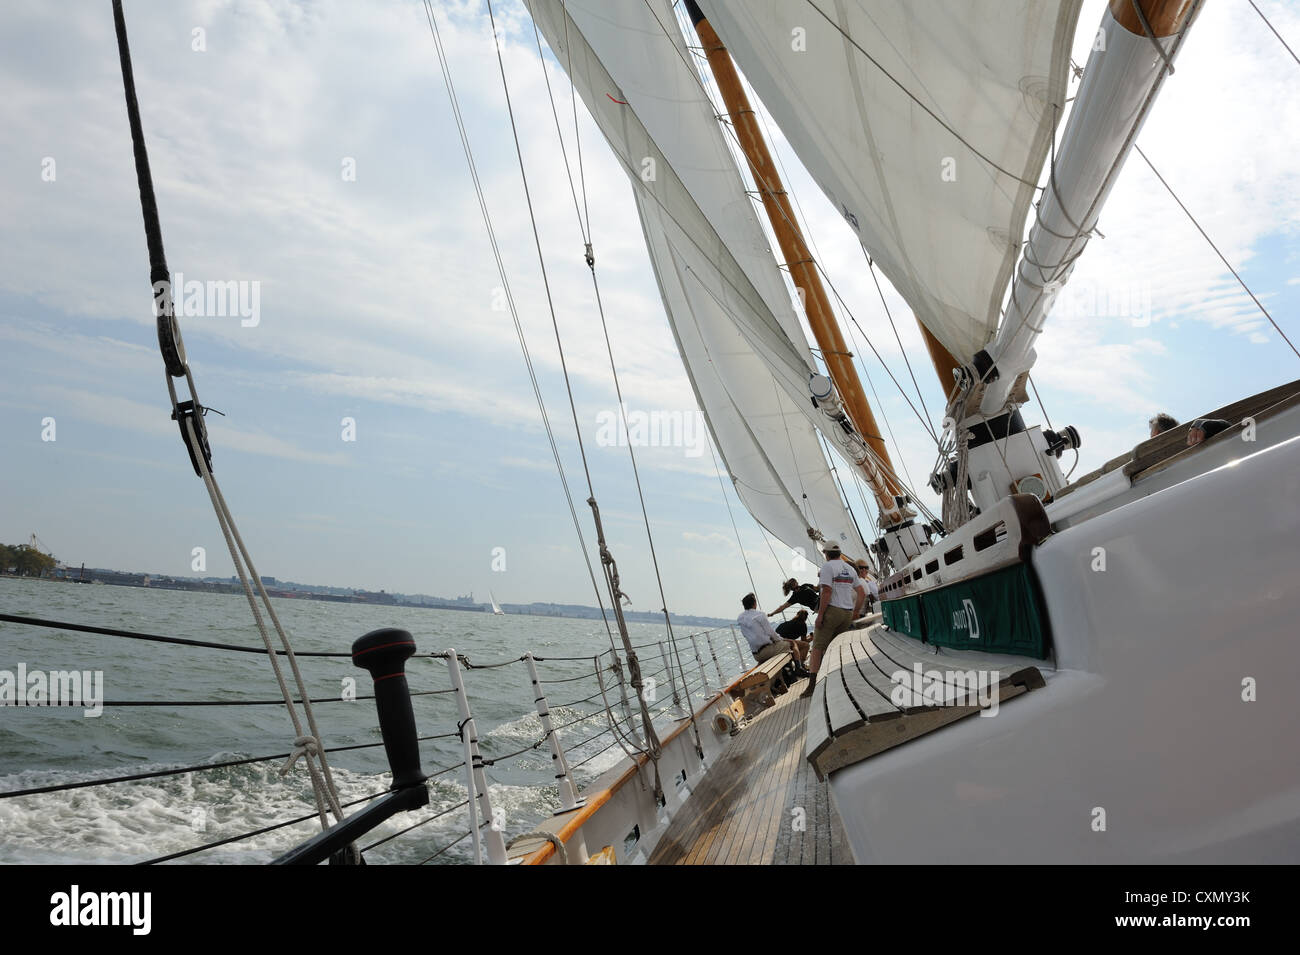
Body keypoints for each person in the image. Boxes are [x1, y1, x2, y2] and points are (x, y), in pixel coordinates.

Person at [802, 542, 867, 696]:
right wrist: (856, 611)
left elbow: (826, 592)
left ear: (826, 554)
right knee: (836, 647)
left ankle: (812, 686)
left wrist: (820, 615)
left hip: (832, 611)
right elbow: (861, 592)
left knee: (817, 648)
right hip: (847, 613)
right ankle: (839, 679)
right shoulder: (850, 569)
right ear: (839, 553)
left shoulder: (828, 567)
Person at [737, 593, 810, 675]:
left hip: (756, 655)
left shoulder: (740, 618)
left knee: (785, 645)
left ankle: (791, 670)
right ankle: (799, 669)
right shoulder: (760, 615)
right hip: (767, 651)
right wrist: (782, 639)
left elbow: (747, 635)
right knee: (793, 644)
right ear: (754, 603)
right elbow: (771, 633)